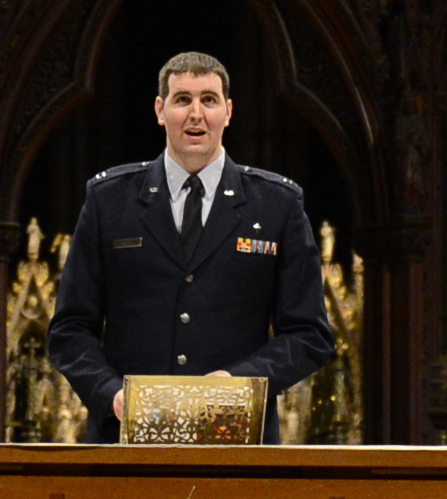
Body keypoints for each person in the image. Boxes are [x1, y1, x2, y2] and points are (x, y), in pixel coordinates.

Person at [47, 50, 335, 442]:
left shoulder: (276, 205)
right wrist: (111, 394)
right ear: (160, 110)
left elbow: (310, 334)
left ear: (228, 112)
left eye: (209, 100)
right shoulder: (109, 200)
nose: (196, 114)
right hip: (125, 440)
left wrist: (239, 383)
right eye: (182, 99)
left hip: (237, 441)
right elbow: (70, 328)